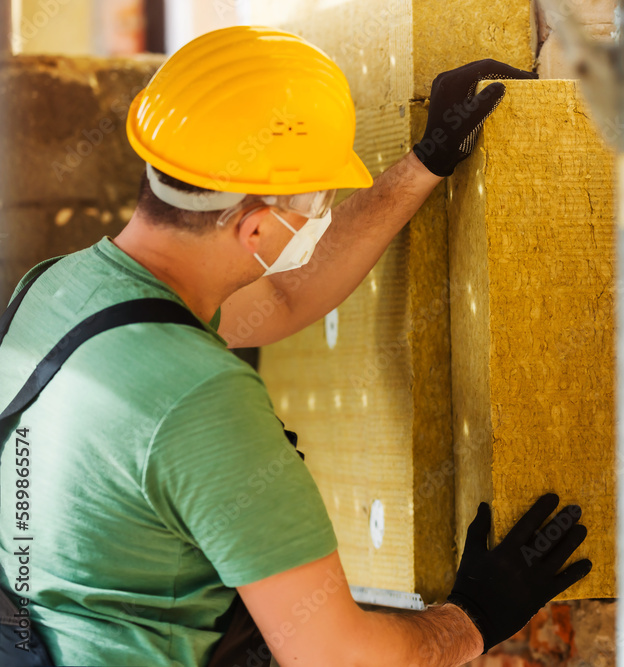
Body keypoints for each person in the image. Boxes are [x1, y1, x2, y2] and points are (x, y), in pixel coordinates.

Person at [0, 26, 591, 667]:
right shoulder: (201, 398)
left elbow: (282, 299)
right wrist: (474, 617)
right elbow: (336, 656)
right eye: (315, 200)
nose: (321, 213)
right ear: (253, 225)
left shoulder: (60, 291)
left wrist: (427, 160)